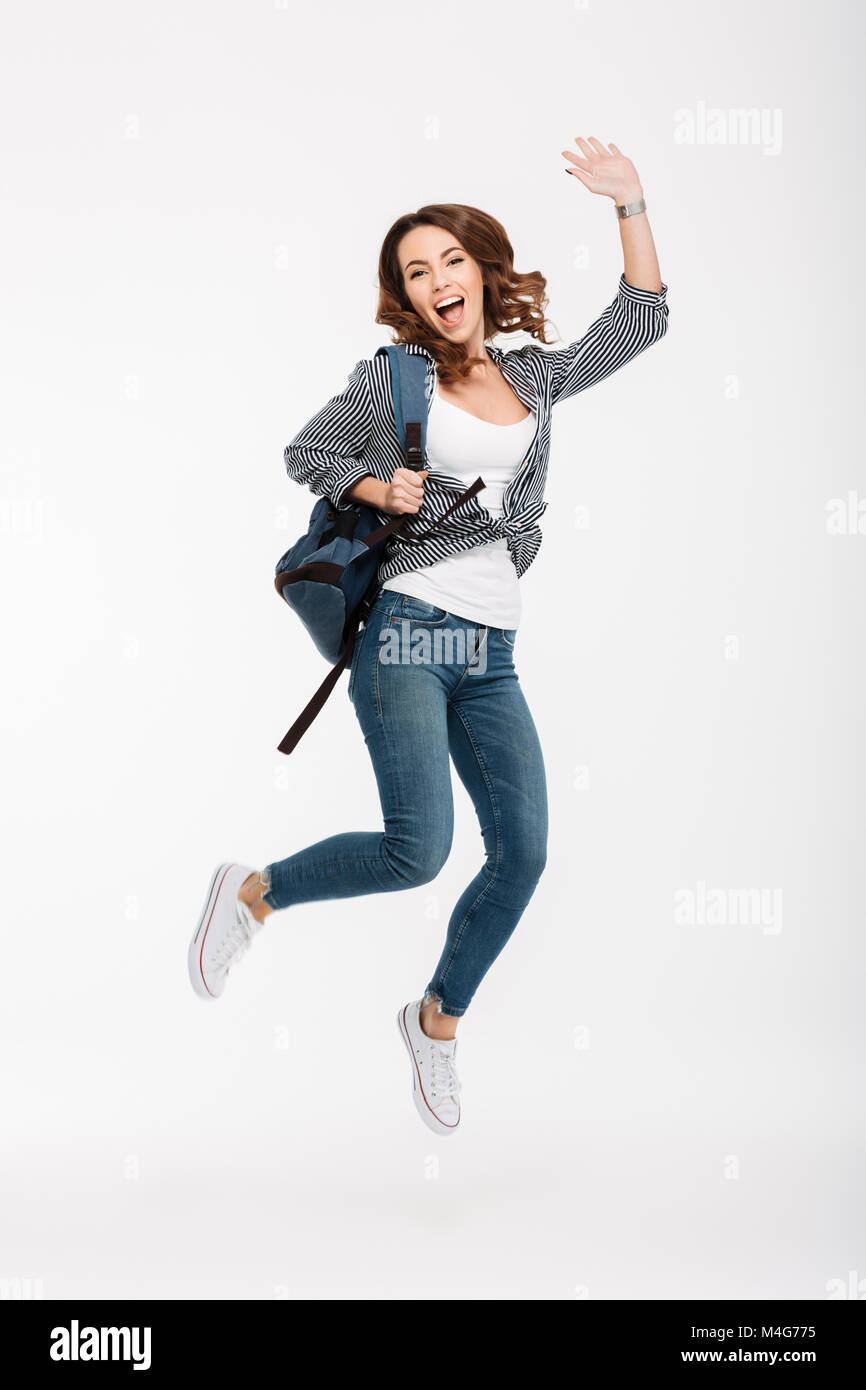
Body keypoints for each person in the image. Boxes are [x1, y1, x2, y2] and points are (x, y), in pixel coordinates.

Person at [189, 135, 669, 1137]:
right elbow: (305, 450)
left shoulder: (532, 374)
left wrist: (628, 203)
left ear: (480, 272)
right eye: (415, 272)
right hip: (408, 627)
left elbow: (638, 322)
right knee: (418, 850)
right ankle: (254, 893)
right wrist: (376, 482)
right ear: (406, 298)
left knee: (523, 853)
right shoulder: (395, 379)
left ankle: (434, 1020)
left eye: (447, 260)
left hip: (492, 646)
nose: (435, 280)